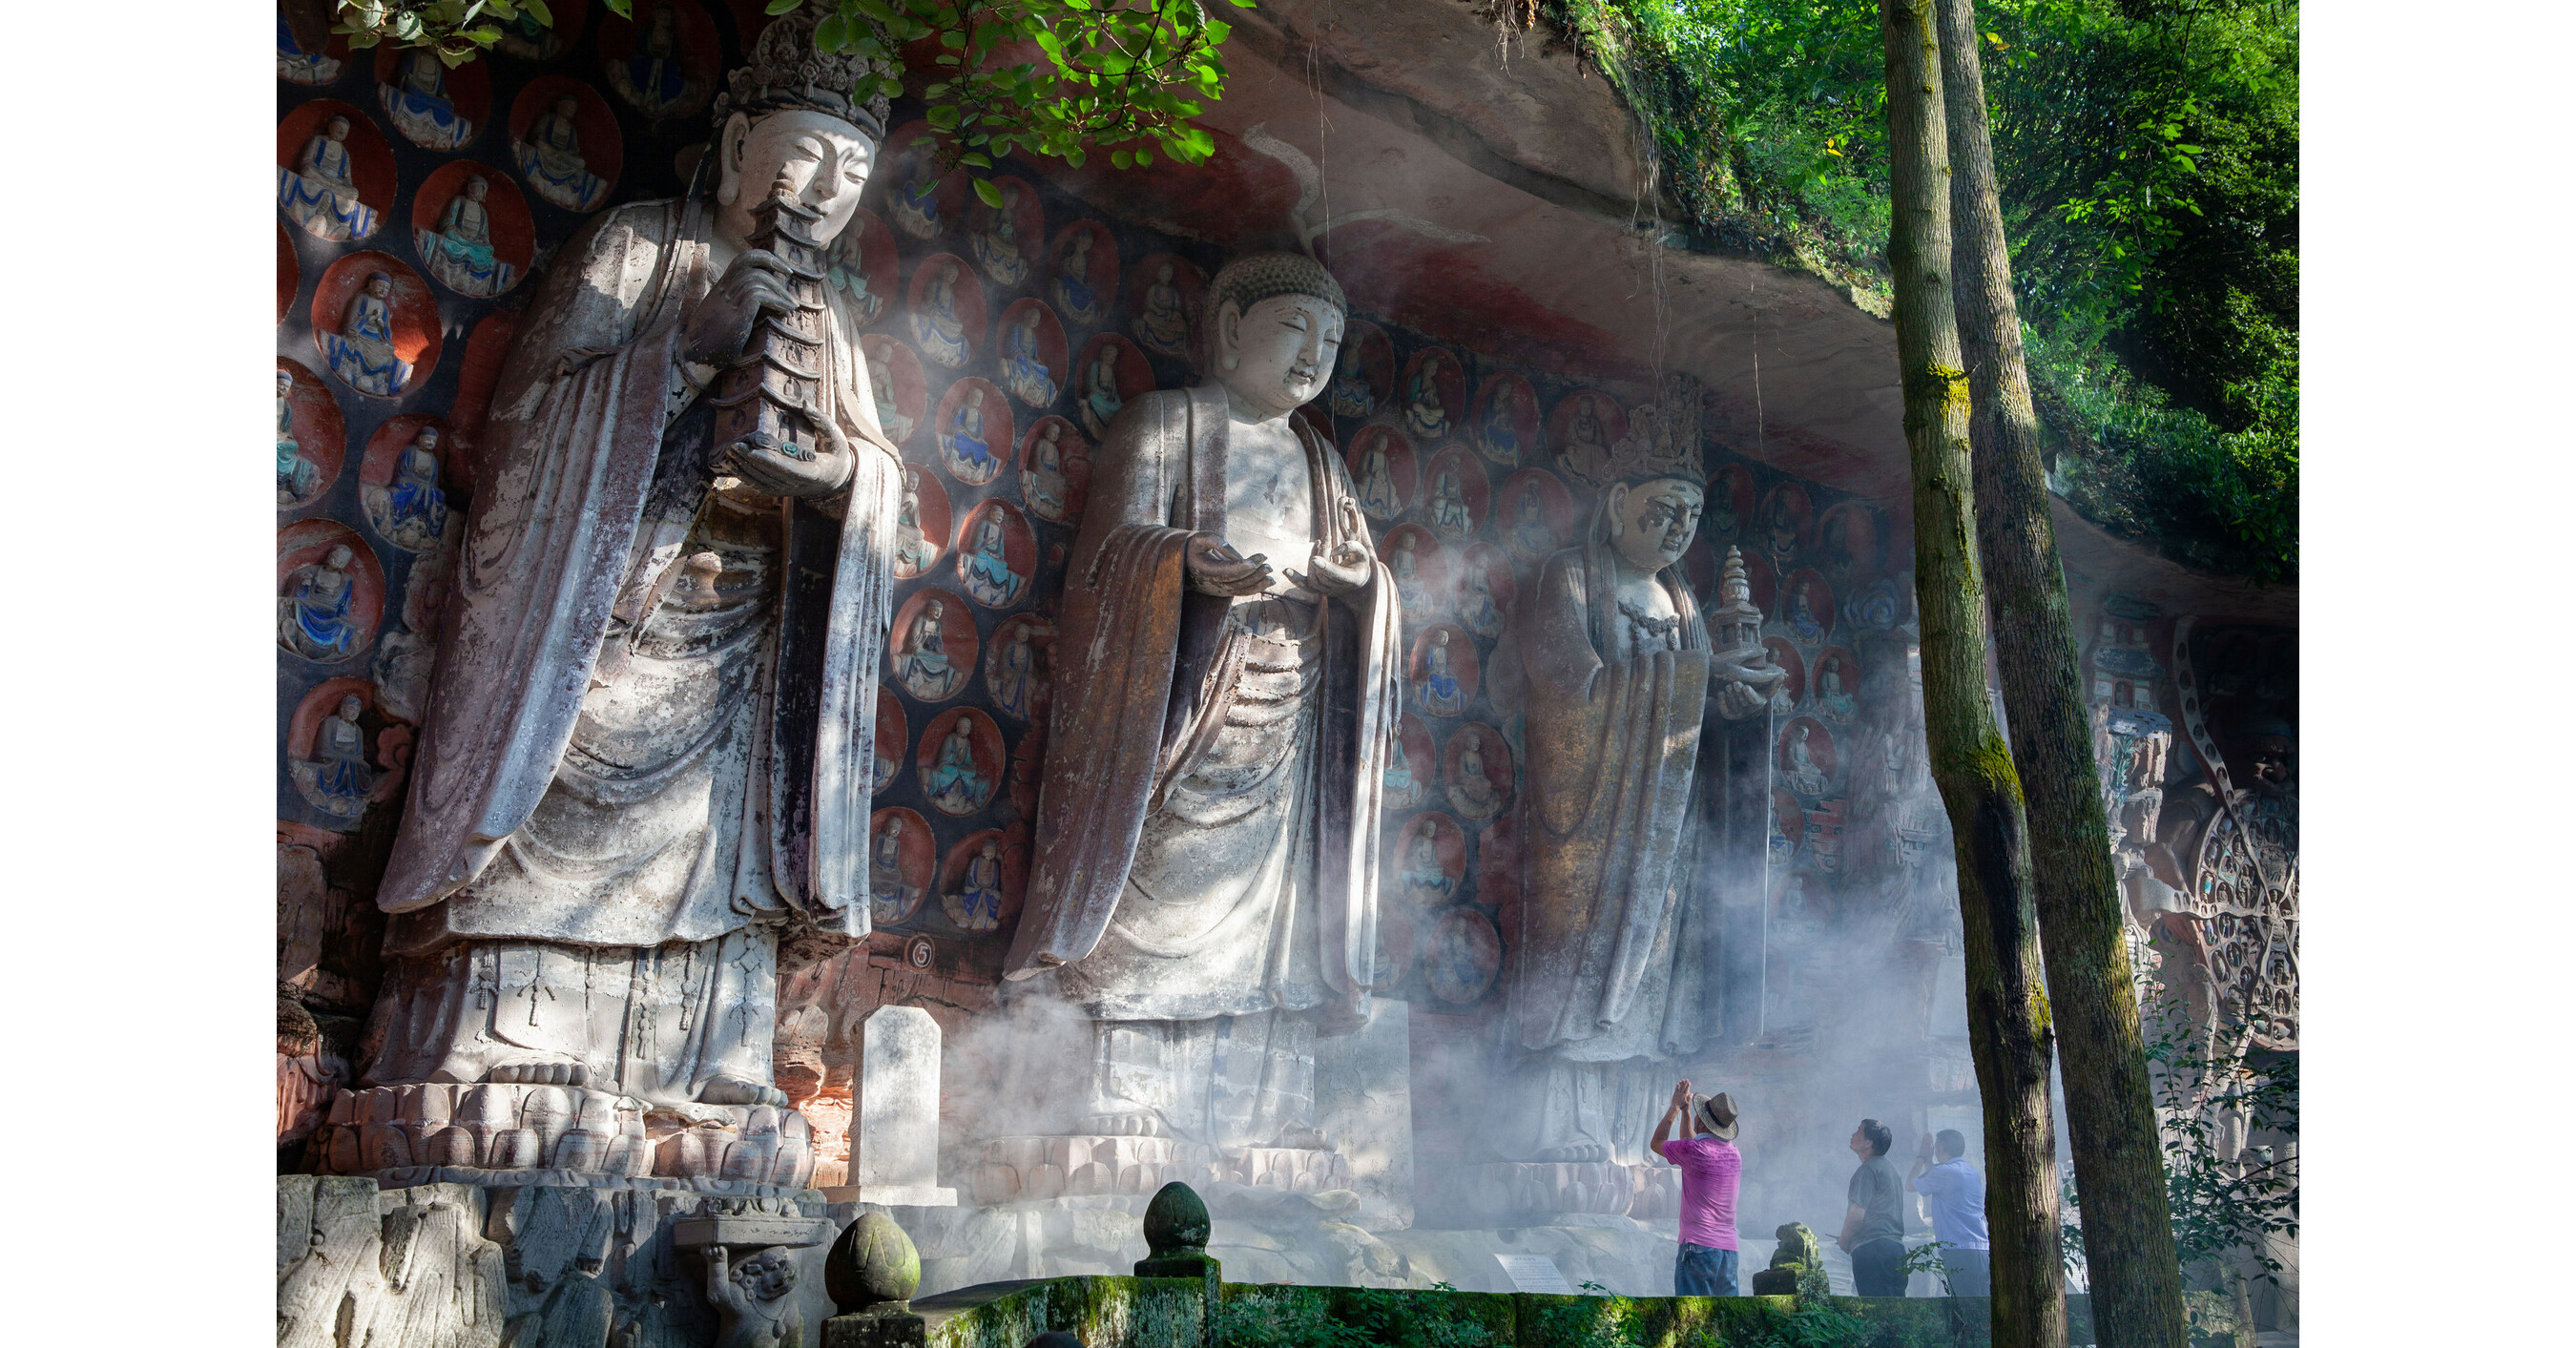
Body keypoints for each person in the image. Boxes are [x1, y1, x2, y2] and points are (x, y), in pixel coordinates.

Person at [1651, 1080, 1742, 1296]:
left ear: (1703, 1123)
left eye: (1697, 1114)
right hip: (1729, 1251)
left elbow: (1657, 1142)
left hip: (1698, 1246)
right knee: (1724, 1321)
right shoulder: (1734, 1154)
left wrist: (1674, 1106)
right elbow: (1692, 1144)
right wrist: (1686, 1113)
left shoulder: (1695, 1152)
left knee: (1692, 1322)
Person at [1907, 1130, 1990, 1296]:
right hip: (1981, 1248)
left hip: (1959, 1251)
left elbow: (1910, 1185)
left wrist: (1922, 1157)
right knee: (1981, 1304)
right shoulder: (1971, 1172)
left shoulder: (1944, 1172)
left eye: (1936, 1147)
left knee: (1964, 1304)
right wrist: (1930, 1160)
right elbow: (1935, 1183)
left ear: (1941, 1148)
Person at [1839, 1118, 1908, 1296]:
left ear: (1868, 1143)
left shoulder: (1867, 1170)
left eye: (1858, 1131)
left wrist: (1844, 1240)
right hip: (1896, 1249)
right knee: (1897, 1311)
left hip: (1873, 1251)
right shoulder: (1891, 1169)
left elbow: (1856, 1214)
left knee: (1876, 1312)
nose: (1853, 1135)